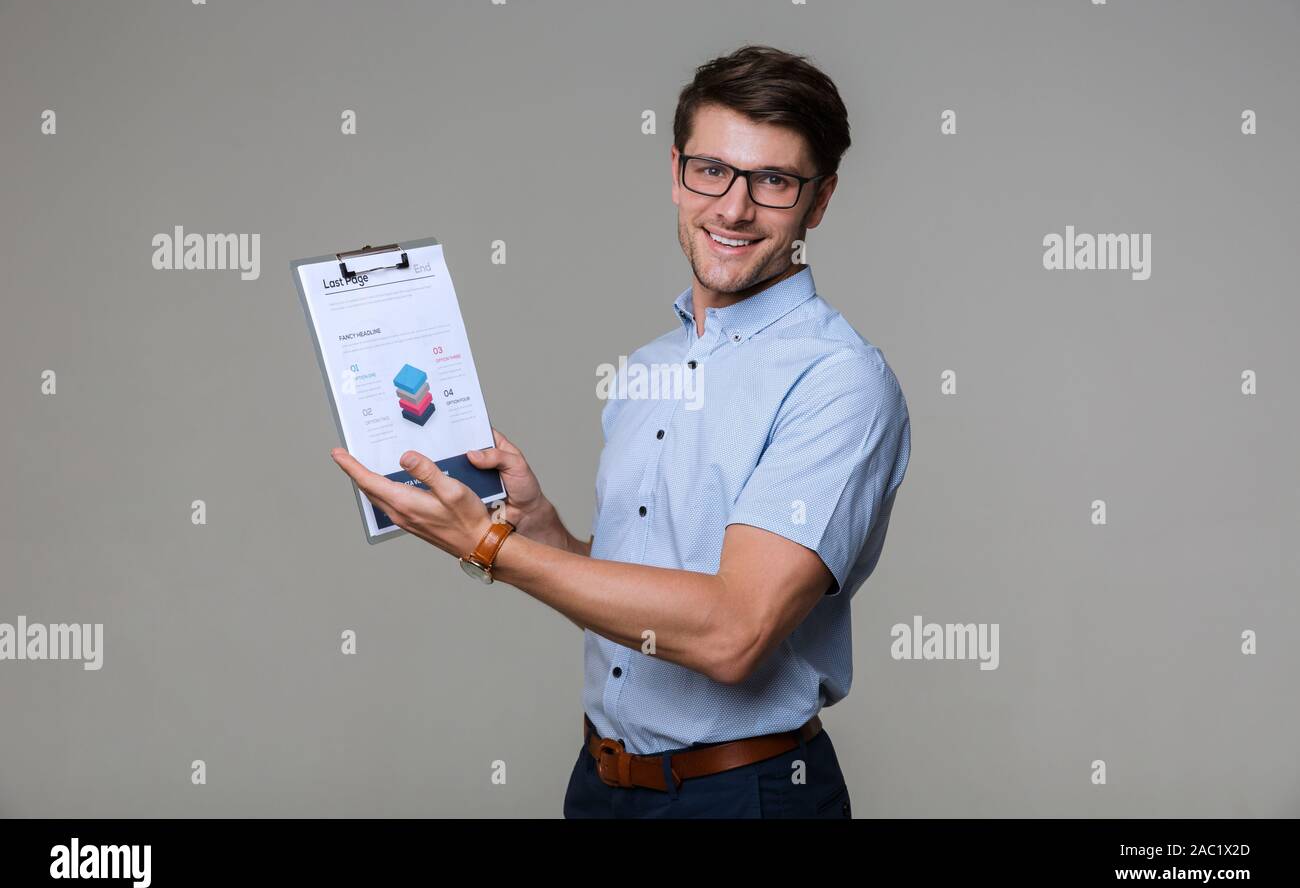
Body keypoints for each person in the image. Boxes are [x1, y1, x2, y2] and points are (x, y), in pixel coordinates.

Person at [331, 44, 911, 818]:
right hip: (600, 786)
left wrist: (490, 549)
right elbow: (644, 605)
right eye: (712, 170)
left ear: (820, 198)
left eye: (773, 181)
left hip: (743, 797)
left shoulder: (840, 381)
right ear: (676, 171)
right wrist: (543, 536)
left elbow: (733, 633)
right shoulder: (648, 368)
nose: (733, 208)